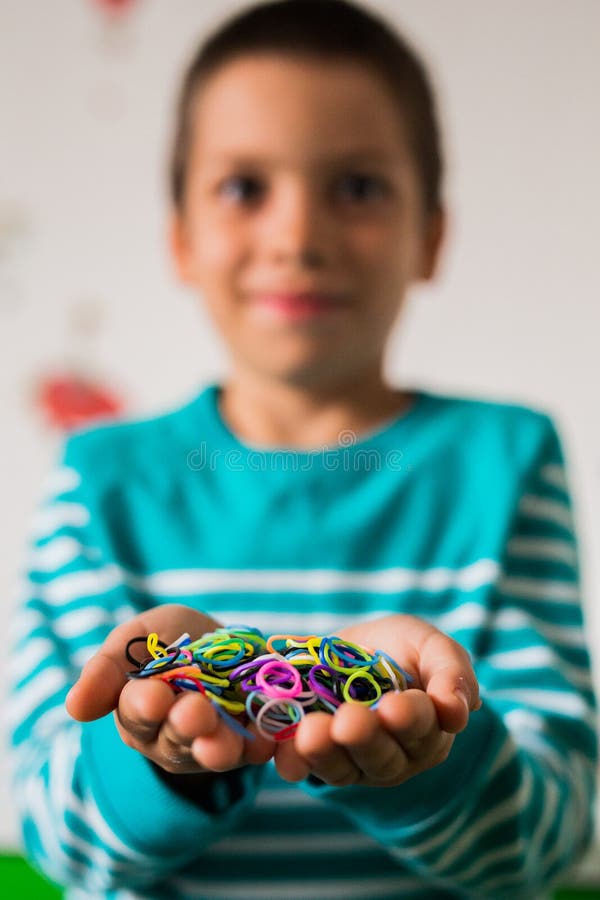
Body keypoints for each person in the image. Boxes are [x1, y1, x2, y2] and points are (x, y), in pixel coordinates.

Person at [7, 1, 597, 897]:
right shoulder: (102, 480)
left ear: (431, 235)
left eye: (356, 187)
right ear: (180, 241)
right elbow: (55, 839)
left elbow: (546, 840)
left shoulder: (507, 460)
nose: (297, 238)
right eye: (245, 188)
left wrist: (431, 751)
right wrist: (162, 751)